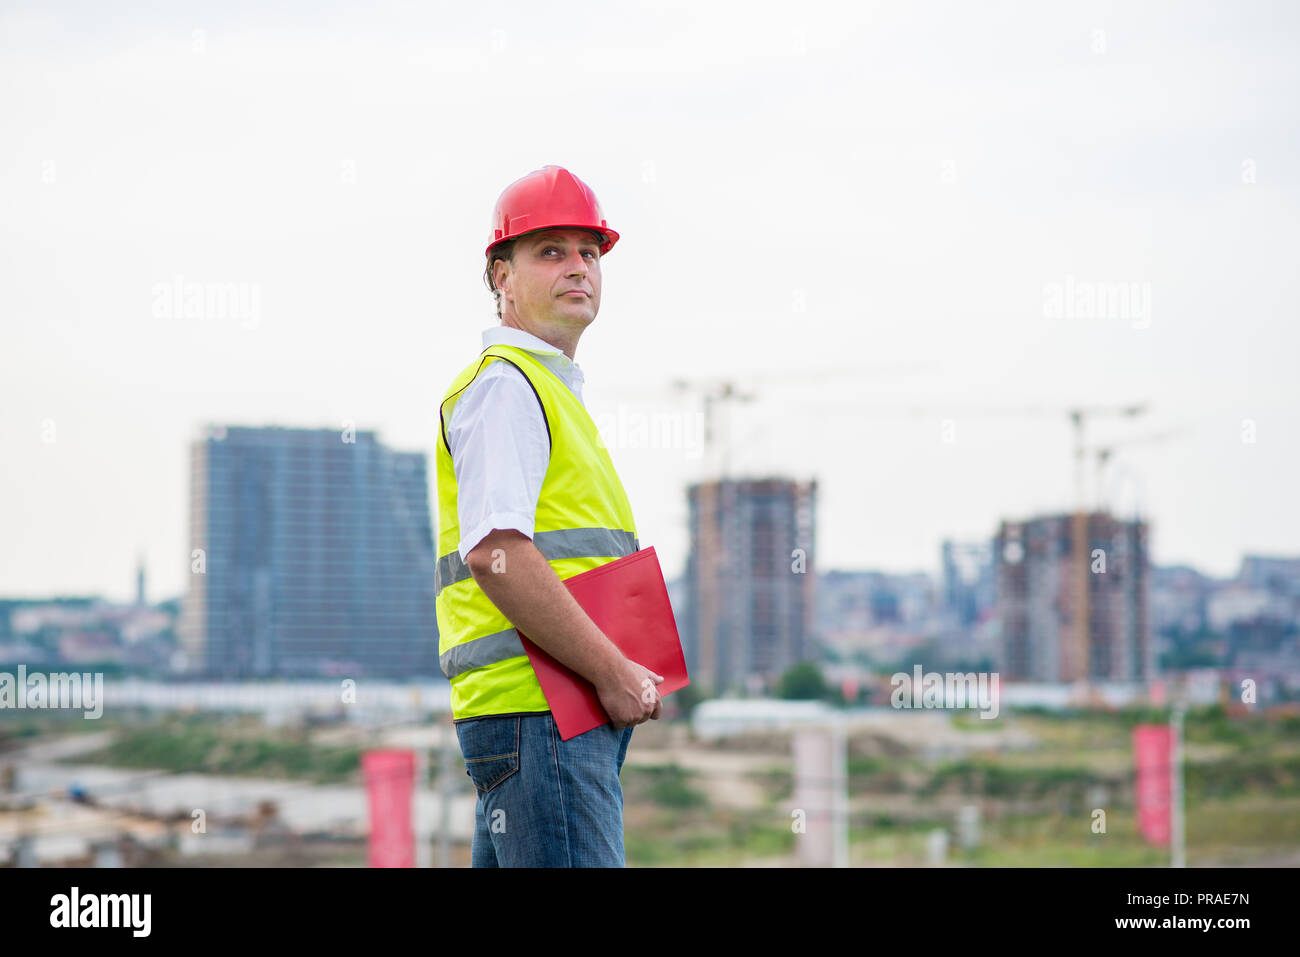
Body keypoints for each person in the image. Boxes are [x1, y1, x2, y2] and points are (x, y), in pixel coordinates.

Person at [434, 165, 663, 867]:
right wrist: (612, 669)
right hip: (544, 712)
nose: (578, 268)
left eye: (589, 252)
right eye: (550, 251)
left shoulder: (548, 391)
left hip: (547, 714)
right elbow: (496, 553)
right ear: (501, 275)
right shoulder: (507, 387)